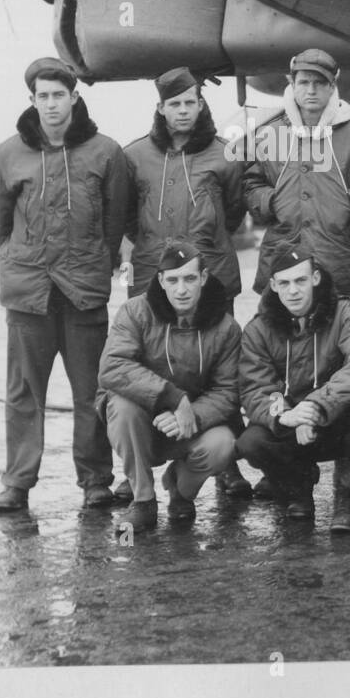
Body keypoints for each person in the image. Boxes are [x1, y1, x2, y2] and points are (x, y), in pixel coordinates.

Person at [0, 57, 129, 512]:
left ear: (74, 98)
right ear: (32, 100)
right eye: (42, 96)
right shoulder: (7, 156)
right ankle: (18, 483)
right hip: (29, 293)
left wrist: (93, 262)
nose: (51, 104)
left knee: (92, 391)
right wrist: (23, 263)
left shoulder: (106, 153)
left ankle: (96, 481)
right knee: (24, 392)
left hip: (84, 290)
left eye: (58, 95)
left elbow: (115, 220)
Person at [123, 65, 251, 497]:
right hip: (151, 279)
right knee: (146, 366)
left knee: (218, 369)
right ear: (160, 108)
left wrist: (204, 251)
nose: (183, 111)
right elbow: (125, 218)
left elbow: (232, 214)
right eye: (174, 104)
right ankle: (136, 464)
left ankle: (226, 465)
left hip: (211, 279)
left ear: (201, 103)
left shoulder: (223, 154)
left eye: (190, 102)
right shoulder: (134, 156)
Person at [237, 246, 350, 532]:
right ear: (273, 286)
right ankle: (297, 490)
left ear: (315, 278)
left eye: (300, 281)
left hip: (334, 419)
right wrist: (284, 415)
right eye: (284, 283)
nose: (293, 291)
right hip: (292, 426)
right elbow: (254, 388)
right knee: (250, 442)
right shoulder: (258, 329)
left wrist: (318, 405)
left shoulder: (343, 311)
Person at [96, 241, 241, 533]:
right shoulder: (135, 311)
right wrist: (172, 398)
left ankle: (181, 493)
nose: (181, 290)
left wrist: (191, 414)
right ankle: (143, 501)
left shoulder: (226, 328)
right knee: (121, 406)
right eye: (173, 280)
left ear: (203, 278)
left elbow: (228, 392)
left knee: (223, 443)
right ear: (161, 280)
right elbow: (113, 367)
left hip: (189, 423)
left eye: (189, 279)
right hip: (142, 421)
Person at [242, 49, 350, 305]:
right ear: (292, 85)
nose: (311, 90)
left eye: (320, 83)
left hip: (337, 260)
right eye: (304, 82)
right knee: (279, 339)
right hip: (282, 257)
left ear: (332, 86)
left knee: (340, 337)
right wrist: (270, 201)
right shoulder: (268, 134)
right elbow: (249, 184)